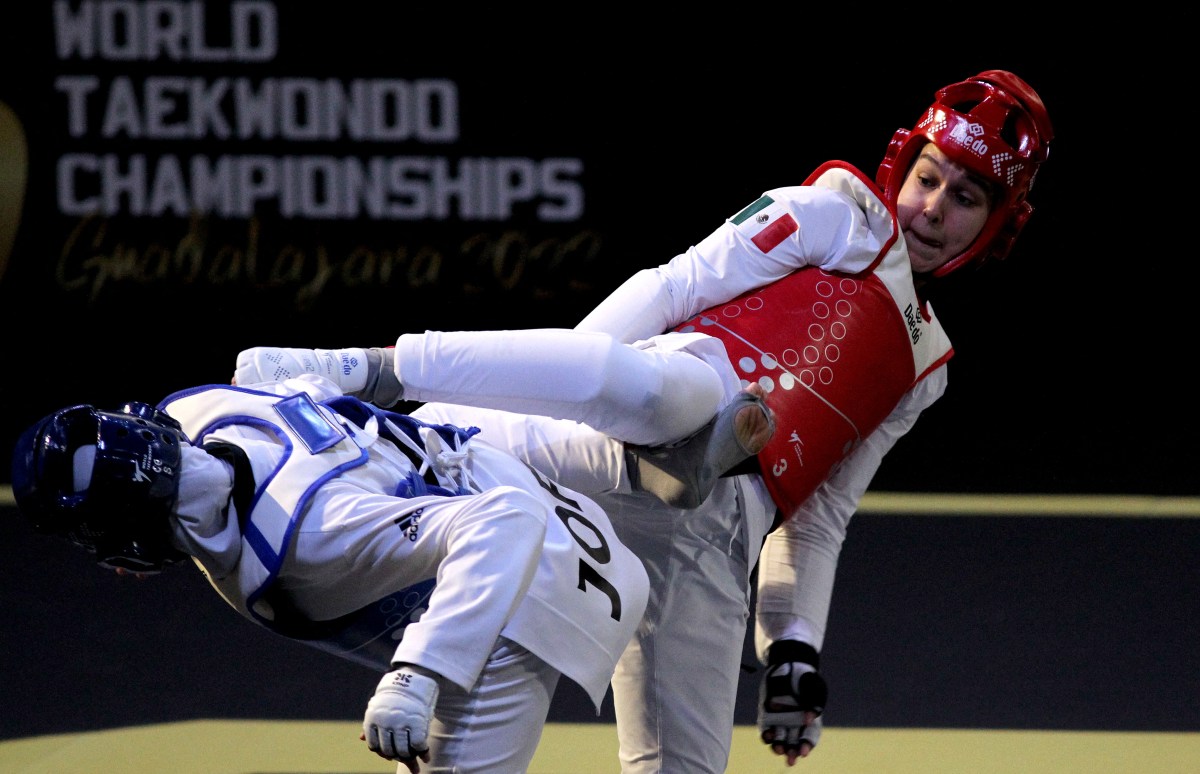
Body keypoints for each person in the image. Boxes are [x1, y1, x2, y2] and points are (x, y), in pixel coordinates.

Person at [233, 69, 1054, 772]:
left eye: (966, 196)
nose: (934, 206)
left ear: (999, 224)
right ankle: (371, 369)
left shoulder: (925, 368)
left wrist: (793, 647)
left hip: (714, 541)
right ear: (901, 163)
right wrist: (573, 377)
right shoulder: (836, 215)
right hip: (633, 420)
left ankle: (683, 451)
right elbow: (670, 288)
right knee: (670, 399)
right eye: (929, 176)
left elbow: (823, 518)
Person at [10, 371, 668, 774]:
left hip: (522, 592)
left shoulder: (300, 546)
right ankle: (644, 446)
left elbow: (502, 526)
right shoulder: (203, 408)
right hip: (493, 461)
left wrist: (415, 678)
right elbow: (279, 373)